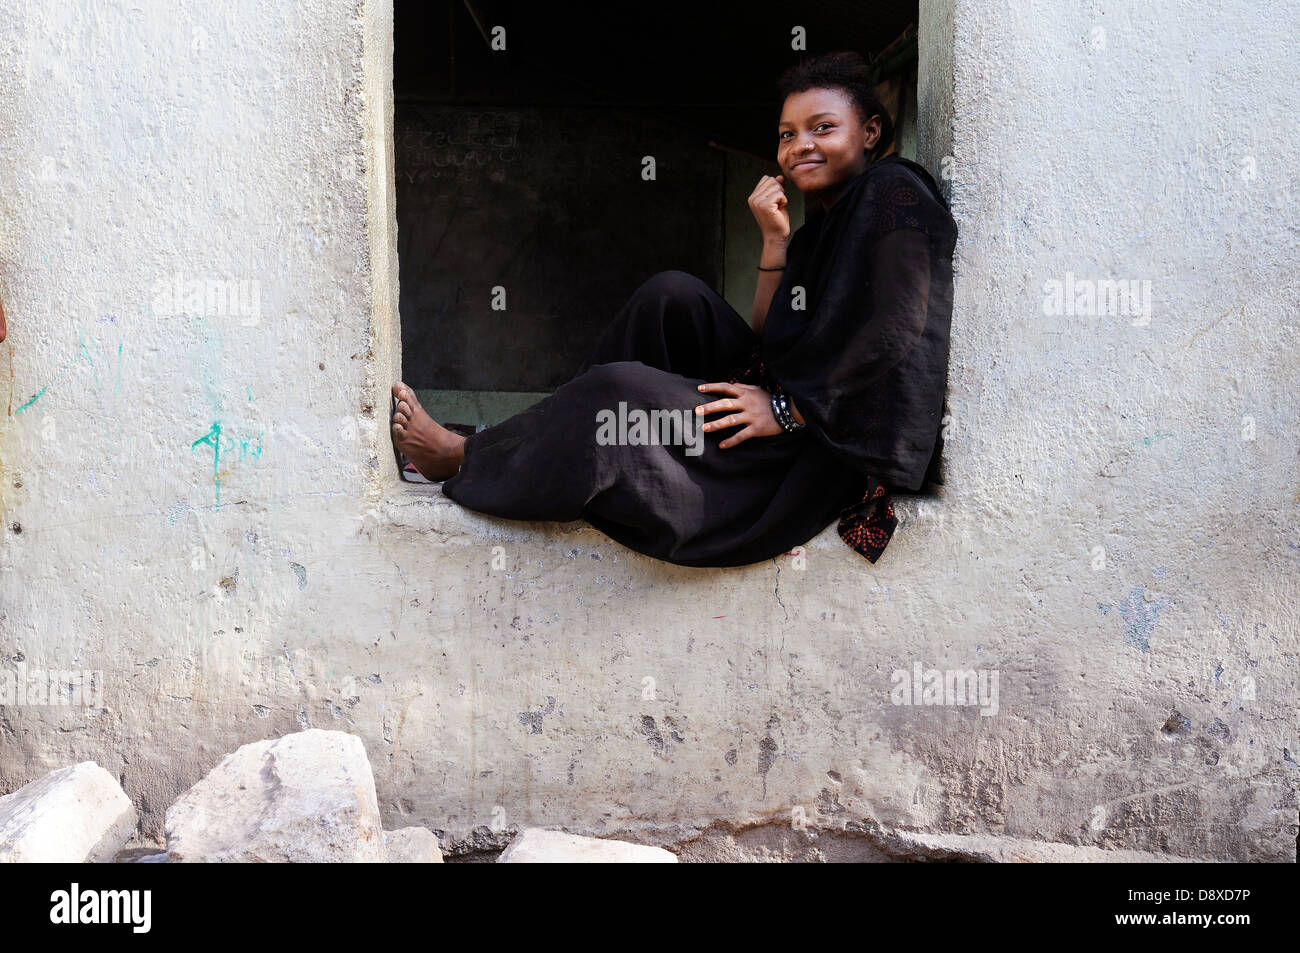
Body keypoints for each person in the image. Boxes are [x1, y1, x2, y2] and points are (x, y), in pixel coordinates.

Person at [391, 51, 957, 568]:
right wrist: (776, 242)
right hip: (788, 403)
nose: (800, 145)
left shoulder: (893, 191)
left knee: (618, 391)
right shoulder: (822, 226)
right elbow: (769, 341)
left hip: (819, 449)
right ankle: (521, 442)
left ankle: (465, 455)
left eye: (823, 128)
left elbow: (898, 325)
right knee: (672, 296)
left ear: (872, 133)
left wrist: (789, 409)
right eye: (787, 134)